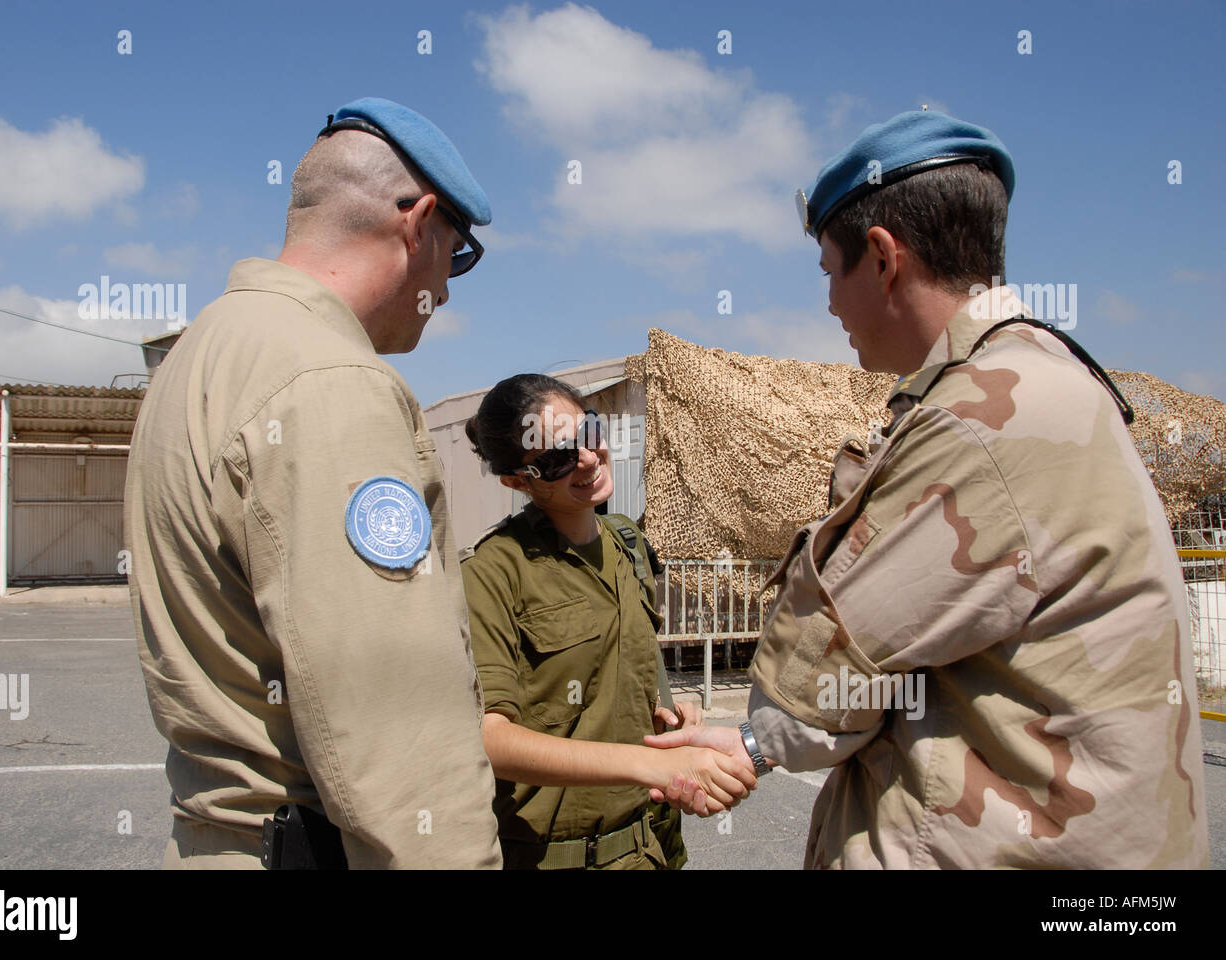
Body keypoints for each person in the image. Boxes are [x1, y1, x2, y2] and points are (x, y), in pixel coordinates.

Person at [647, 110, 1209, 868]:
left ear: (882, 259)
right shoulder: (1047, 383)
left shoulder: (978, 416)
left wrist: (750, 739)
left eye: (829, 273)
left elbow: (813, 680)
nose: (829, 306)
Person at [124, 97, 502, 869]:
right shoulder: (330, 381)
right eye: (456, 255)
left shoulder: (203, 352)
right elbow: (396, 729)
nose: (450, 290)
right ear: (419, 222)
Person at [458, 374, 757, 869]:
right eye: (556, 458)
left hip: (646, 849)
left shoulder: (629, 547)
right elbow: (491, 738)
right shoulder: (493, 572)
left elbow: (626, 674)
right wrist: (657, 765)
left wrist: (673, 716)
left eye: (589, 433)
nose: (587, 459)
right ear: (517, 481)